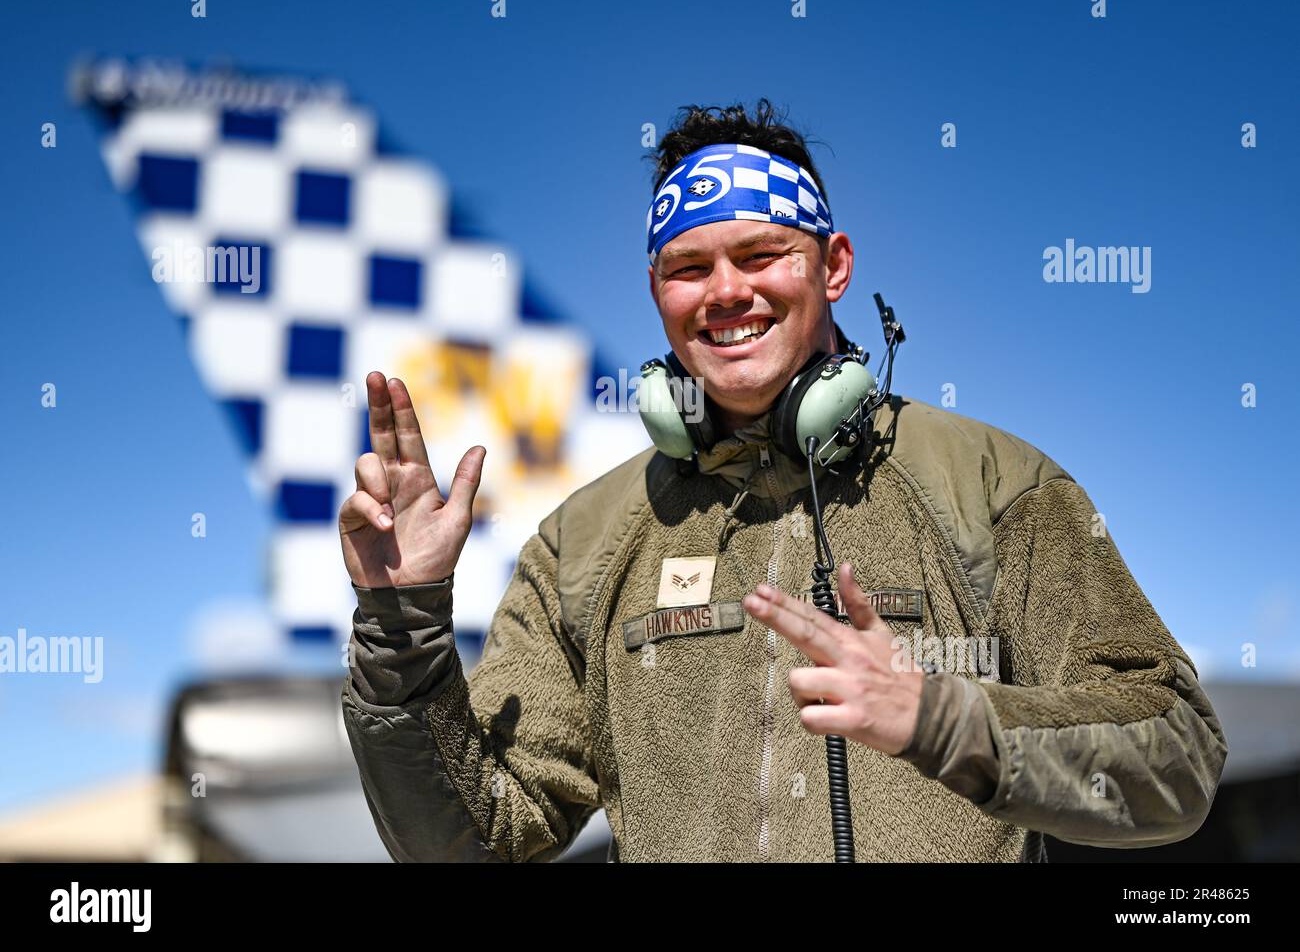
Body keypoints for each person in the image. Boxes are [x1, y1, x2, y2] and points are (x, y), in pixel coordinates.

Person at [339, 99, 1227, 862]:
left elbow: (1178, 761)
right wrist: (401, 621)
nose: (726, 292)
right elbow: (476, 838)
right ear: (657, 289)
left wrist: (945, 717)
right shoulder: (583, 543)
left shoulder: (994, 489)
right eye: (689, 268)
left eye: (761, 255)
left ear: (833, 266)